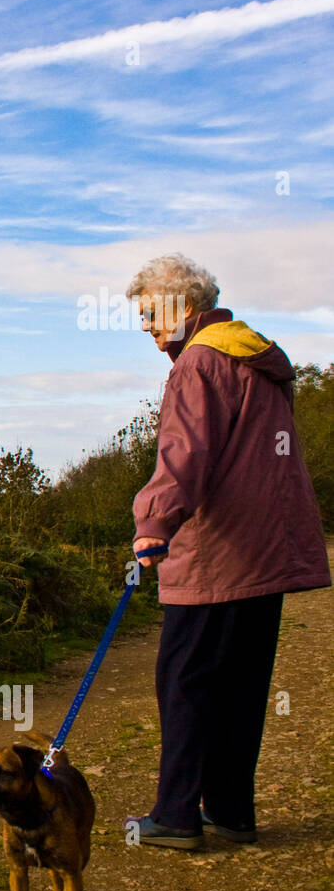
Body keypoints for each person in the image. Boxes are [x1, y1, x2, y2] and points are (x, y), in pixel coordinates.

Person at [124, 254, 330, 849]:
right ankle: (233, 811)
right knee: (241, 683)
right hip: (267, 550)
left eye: (148, 313)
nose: (144, 326)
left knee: (184, 680)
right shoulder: (255, 359)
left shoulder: (200, 362)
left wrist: (155, 521)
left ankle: (176, 816)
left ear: (182, 306)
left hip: (218, 553)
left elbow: (184, 451)